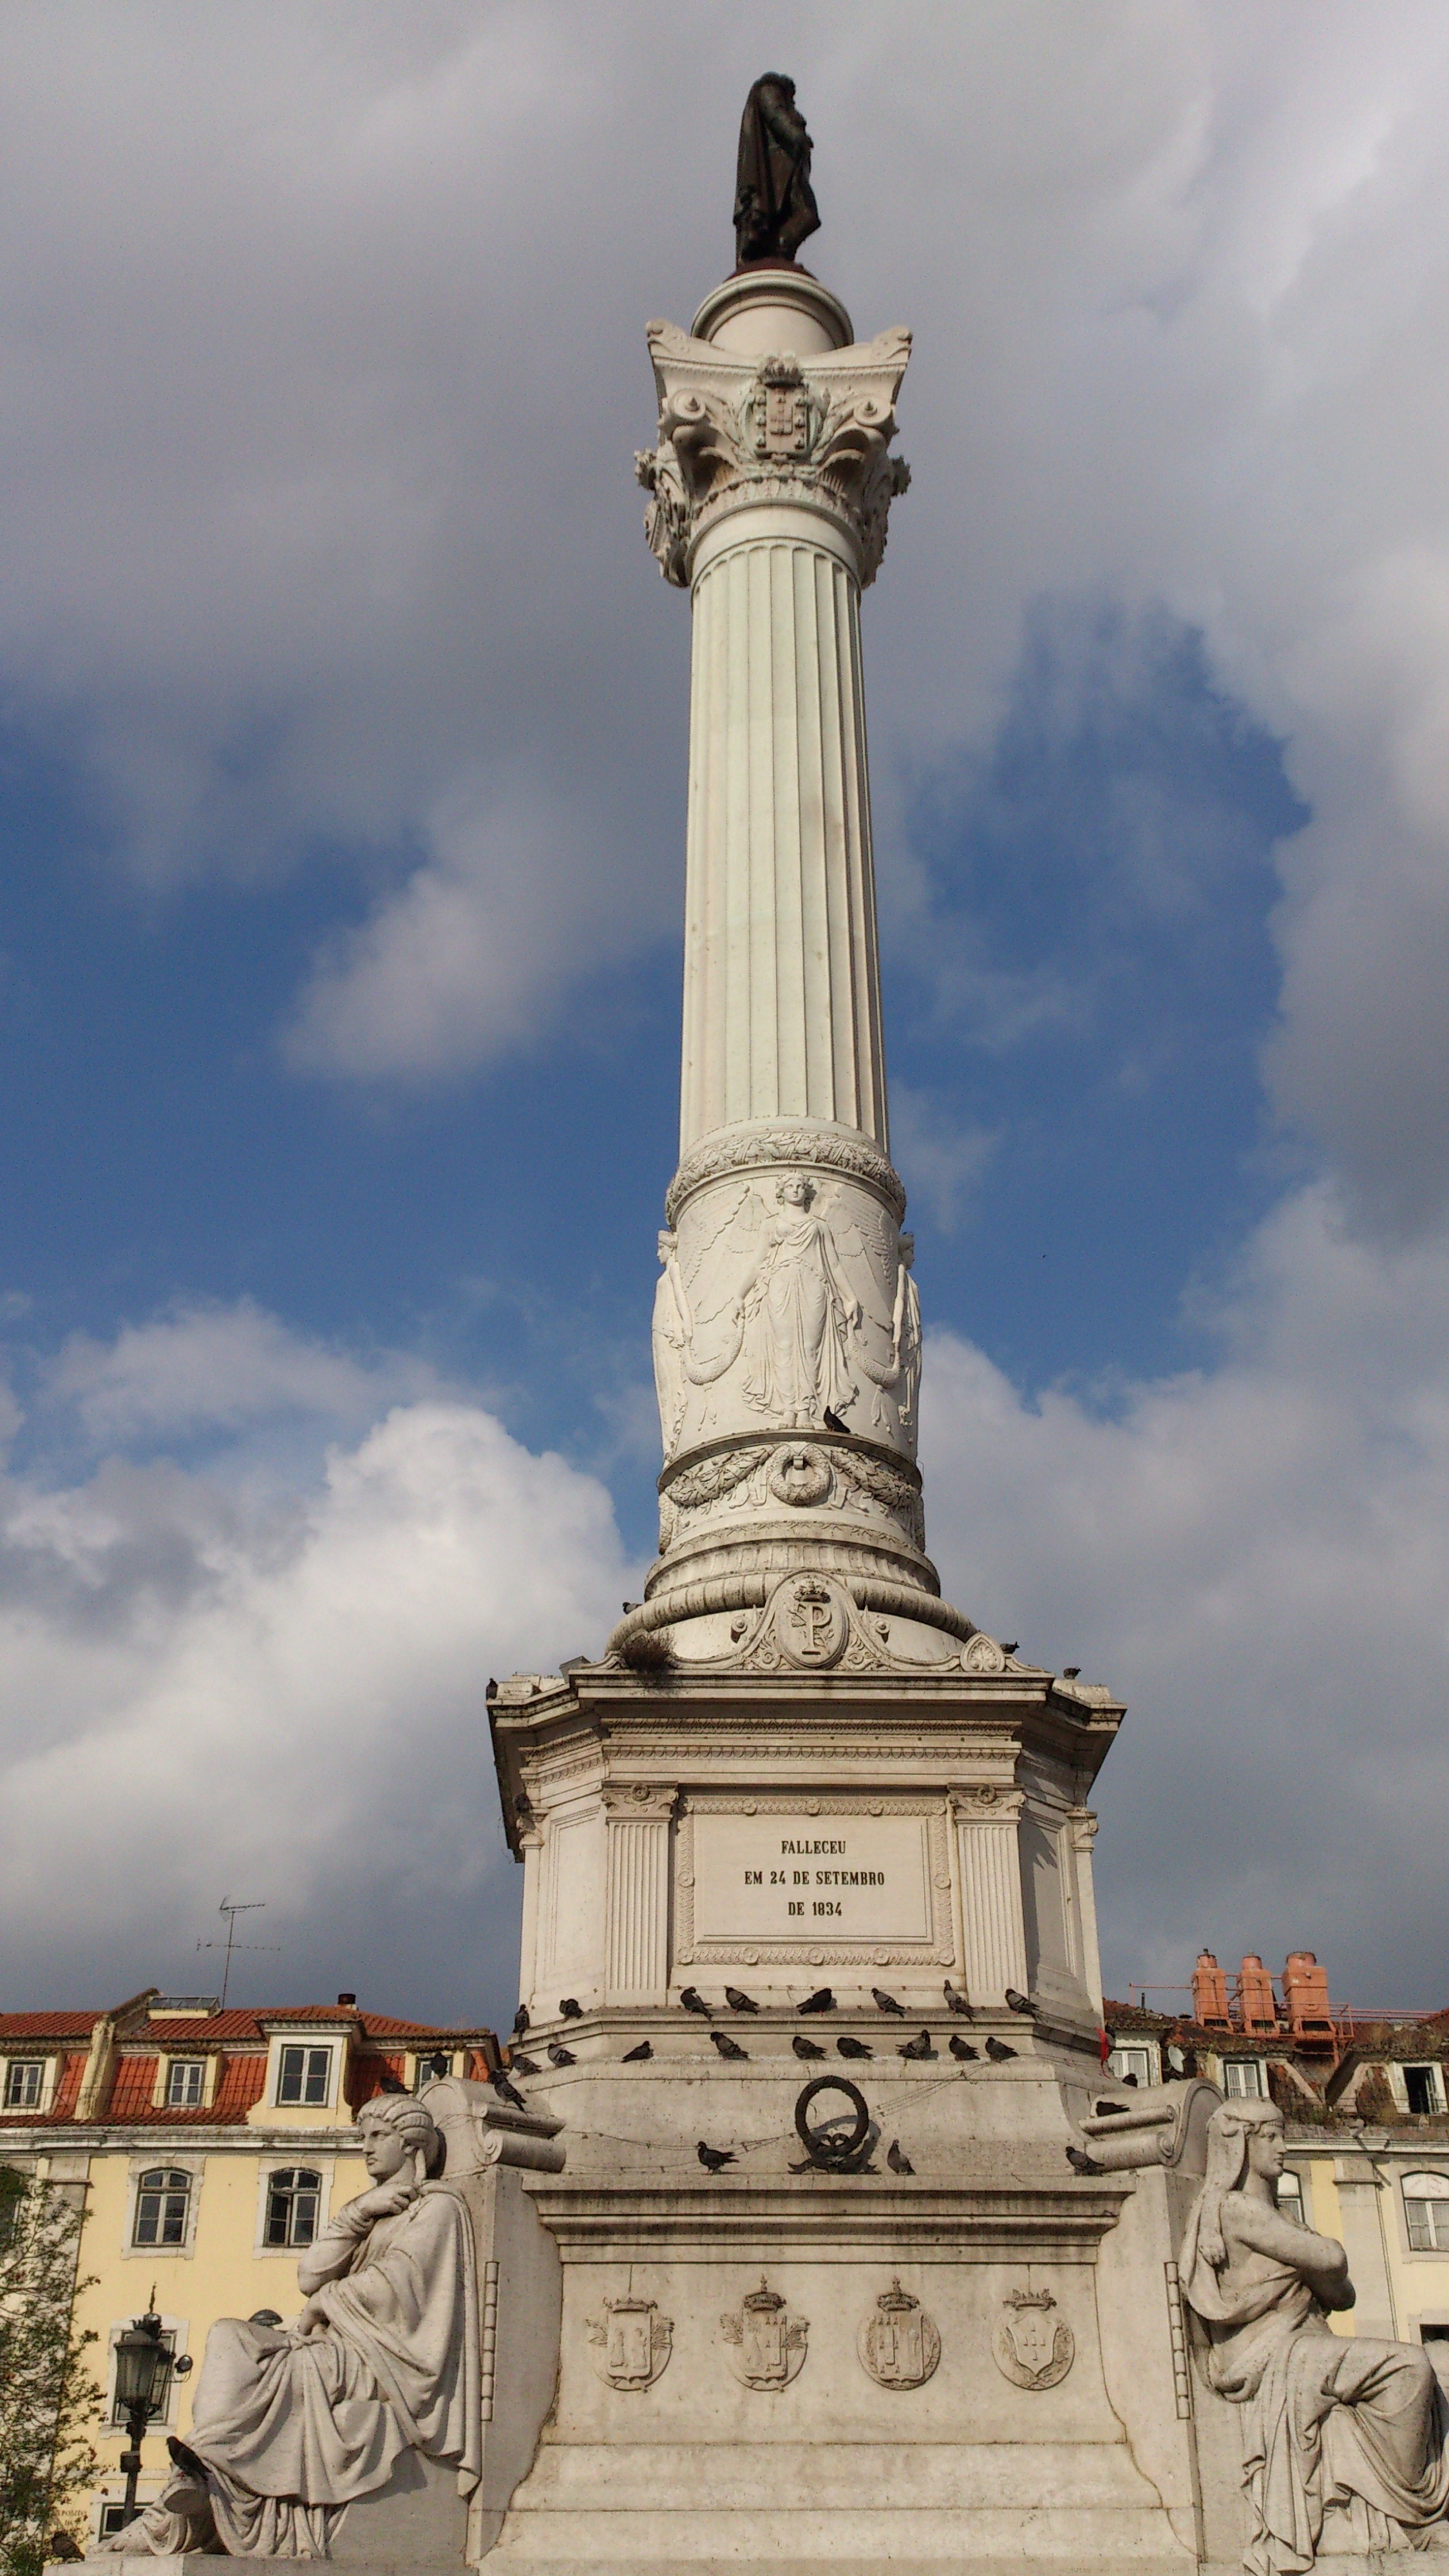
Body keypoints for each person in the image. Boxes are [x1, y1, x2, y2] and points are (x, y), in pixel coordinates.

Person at [103, 2094, 479, 2558]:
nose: (366, 2148)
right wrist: (359, 2212)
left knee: (273, 2372)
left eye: (379, 2136)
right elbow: (309, 2275)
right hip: (341, 2339)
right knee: (228, 2333)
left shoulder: (436, 2210)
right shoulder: (377, 2210)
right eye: (364, 2137)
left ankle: (180, 2506)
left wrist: (325, 2303)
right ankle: (201, 2475)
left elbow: (398, 2290)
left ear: (412, 2144)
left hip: (382, 2356)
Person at [1180, 2098, 1449, 2571]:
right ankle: (1412, 2510)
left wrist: (1318, 2261)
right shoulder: (1236, 2208)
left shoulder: (1280, 2217)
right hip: (1274, 2354)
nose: (1284, 2148)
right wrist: (1316, 2261)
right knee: (1411, 2367)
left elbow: (1342, 2294)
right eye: (1272, 2137)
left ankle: (1409, 2502)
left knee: (1441, 2363)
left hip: (1308, 2345)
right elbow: (1330, 2262)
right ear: (1241, 2144)